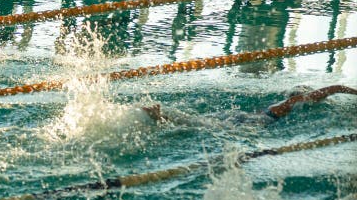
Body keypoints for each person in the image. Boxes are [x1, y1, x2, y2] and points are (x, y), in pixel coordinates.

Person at [141, 85, 357, 123]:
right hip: (251, 123)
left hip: (242, 115)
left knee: (200, 120)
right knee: (200, 124)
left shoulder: (278, 102)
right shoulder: (291, 103)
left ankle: (163, 116)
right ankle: (161, 118)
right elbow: (335, 87)